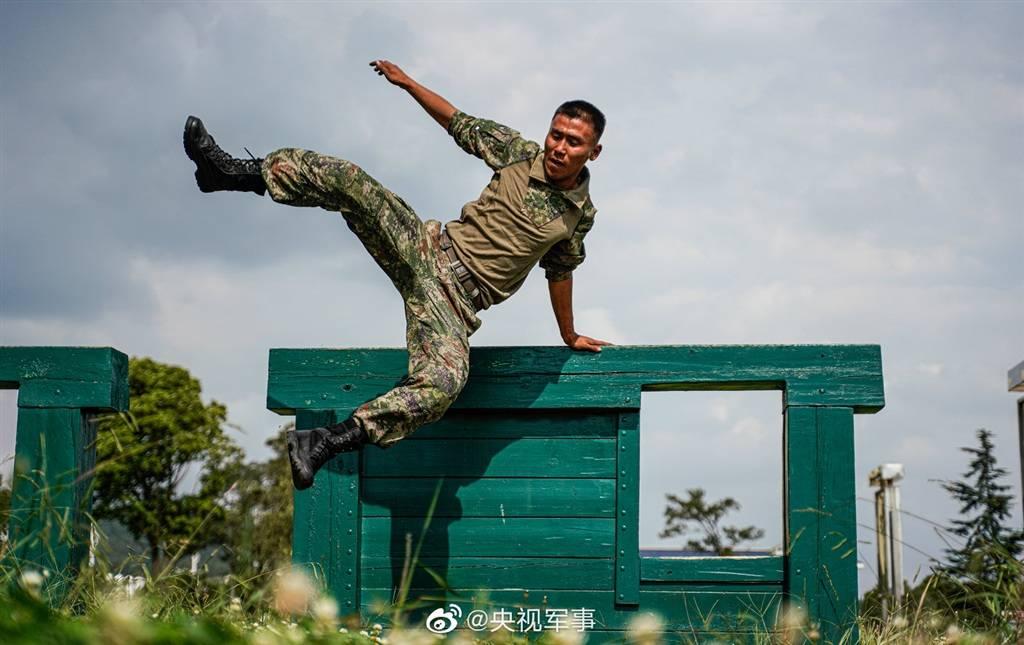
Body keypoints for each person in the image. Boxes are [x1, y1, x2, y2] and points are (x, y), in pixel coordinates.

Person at [184, 60, 610, 490]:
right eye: (556, 134)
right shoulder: (518, 153)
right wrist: (408, 84)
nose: (559, 147)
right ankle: (234, 173)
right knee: (349, 181)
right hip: (426, 249)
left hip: (454, 306)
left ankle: (323, 443)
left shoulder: (579, 215)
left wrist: (569, 334)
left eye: (573, 142)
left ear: (593, 152)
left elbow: (560, 271)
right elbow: (457, 122)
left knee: (444, 384)